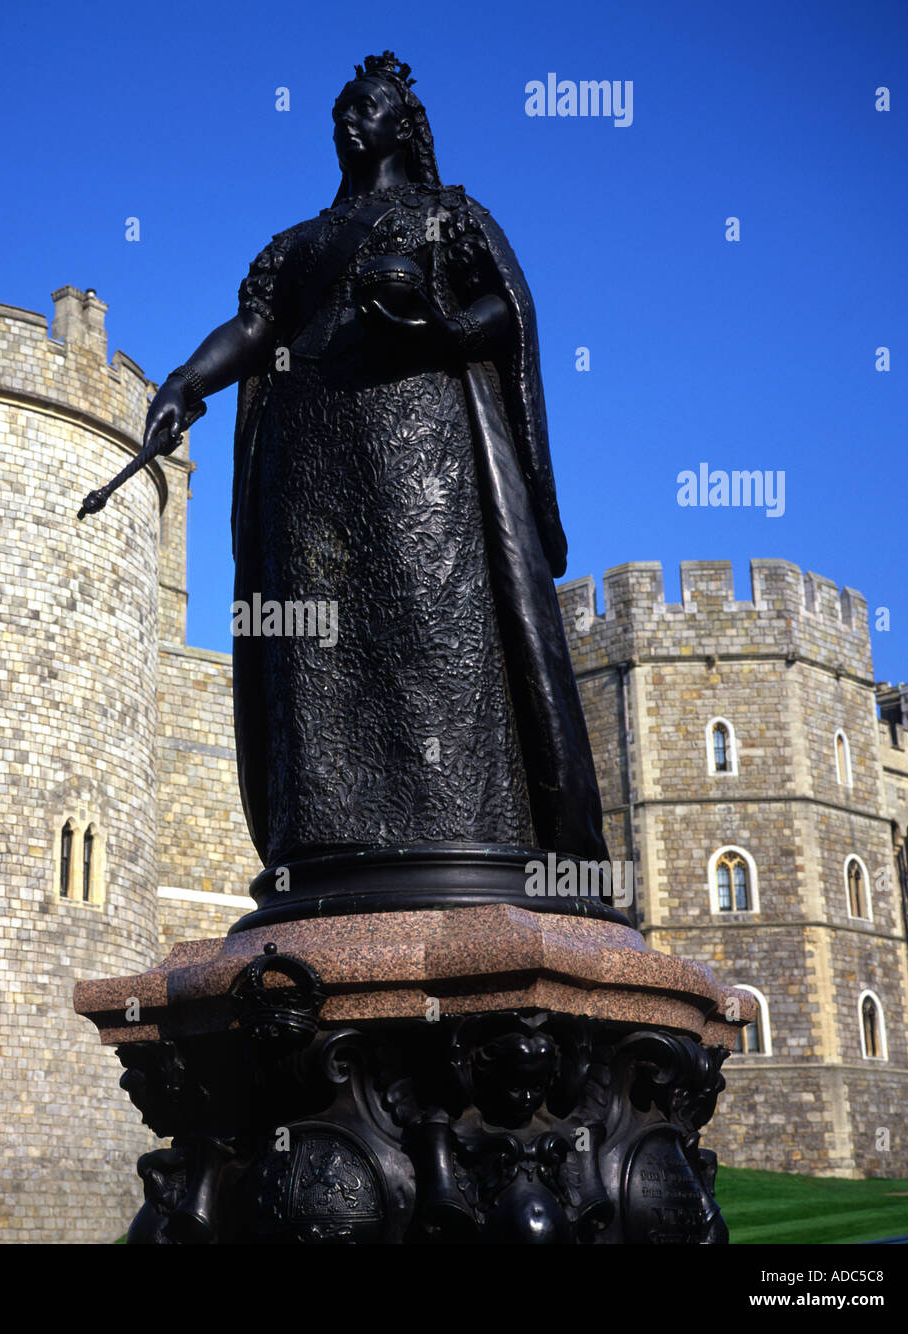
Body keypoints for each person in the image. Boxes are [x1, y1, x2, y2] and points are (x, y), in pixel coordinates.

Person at [144, 52, 608, 873]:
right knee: (316, 652)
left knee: (434, 632)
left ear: (404, 124)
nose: (347, 121)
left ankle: (464, 829)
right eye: (339, 112)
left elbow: (508, 309)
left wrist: (446, 332)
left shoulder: (446, 215)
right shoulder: (296, 245)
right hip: (309, 457)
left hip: (418, 450)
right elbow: (254, 329)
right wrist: (187, 381)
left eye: (365, 108)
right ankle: (326, 839)